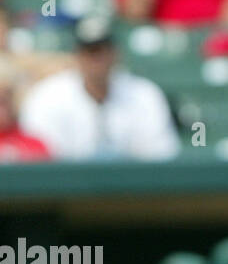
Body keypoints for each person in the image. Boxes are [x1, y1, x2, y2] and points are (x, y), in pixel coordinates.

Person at [19, 15, 181, 161]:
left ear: (115, 53)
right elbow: (42, 162)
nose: (97, 59)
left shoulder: (144, 94)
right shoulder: (48, 96)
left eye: (103, 50)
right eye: (90, 51)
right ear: (77, 55)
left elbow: (160, 156)